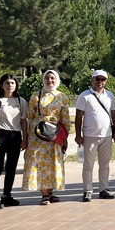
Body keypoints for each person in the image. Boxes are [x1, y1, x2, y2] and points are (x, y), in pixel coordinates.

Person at [25, 69, 70, 205]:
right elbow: (30, 116)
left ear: (57, 80)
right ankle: (44, 193)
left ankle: (50, 192)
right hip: (38, 134)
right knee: (39, 163)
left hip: (54, 134)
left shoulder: (62, 97)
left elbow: (65, 118)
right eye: (47, 78)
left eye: (52, 78)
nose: (49, 81)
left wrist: (65, 137)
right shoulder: (36, 96)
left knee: (53, 162)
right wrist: (28, 135)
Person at [75, 69, 115, 202]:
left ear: (106, 81)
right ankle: (87, 190)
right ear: (92, 80)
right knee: (88, 165)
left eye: (103, 79)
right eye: (97, 79)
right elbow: (78, 116)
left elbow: (114, 114)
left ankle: (103, 189)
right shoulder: (84, 96)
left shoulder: (110, 96)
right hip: (89, 135)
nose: (100, 82)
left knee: (104, 164)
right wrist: (78, 135)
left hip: (106, 135)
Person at [0, 73, 28, 209]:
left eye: (12, 83)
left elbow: (23, 122)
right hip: (0, 136)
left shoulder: (21, 101)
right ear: (1, 85)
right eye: (7, 83)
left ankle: (6, 195)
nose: (10, 85)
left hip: (15, 136)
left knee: (11, 168)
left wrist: (24, 139)